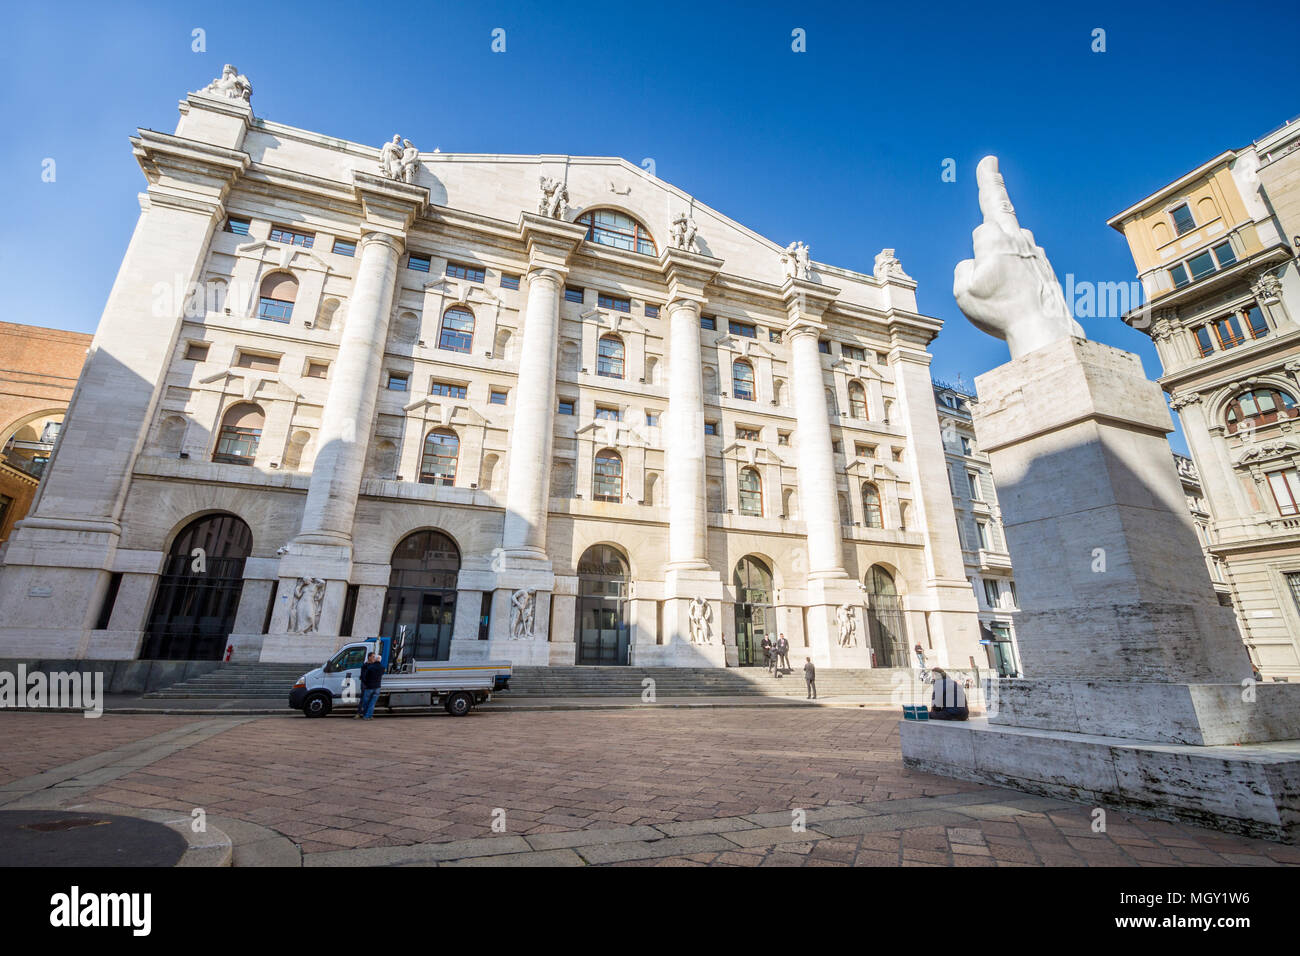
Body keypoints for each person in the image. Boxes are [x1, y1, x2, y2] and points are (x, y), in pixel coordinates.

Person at [358, 652, 385, 720]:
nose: (373, 658)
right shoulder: (382, 668)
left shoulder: (370, 667)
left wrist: (366, 683)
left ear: (375, 659)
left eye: (374, 657)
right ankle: (368, 715)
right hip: (377, 687)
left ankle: (366, 715)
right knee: (371, 703)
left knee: (365, 701)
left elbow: (365, 676)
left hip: (369, 686)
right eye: (372, 656)